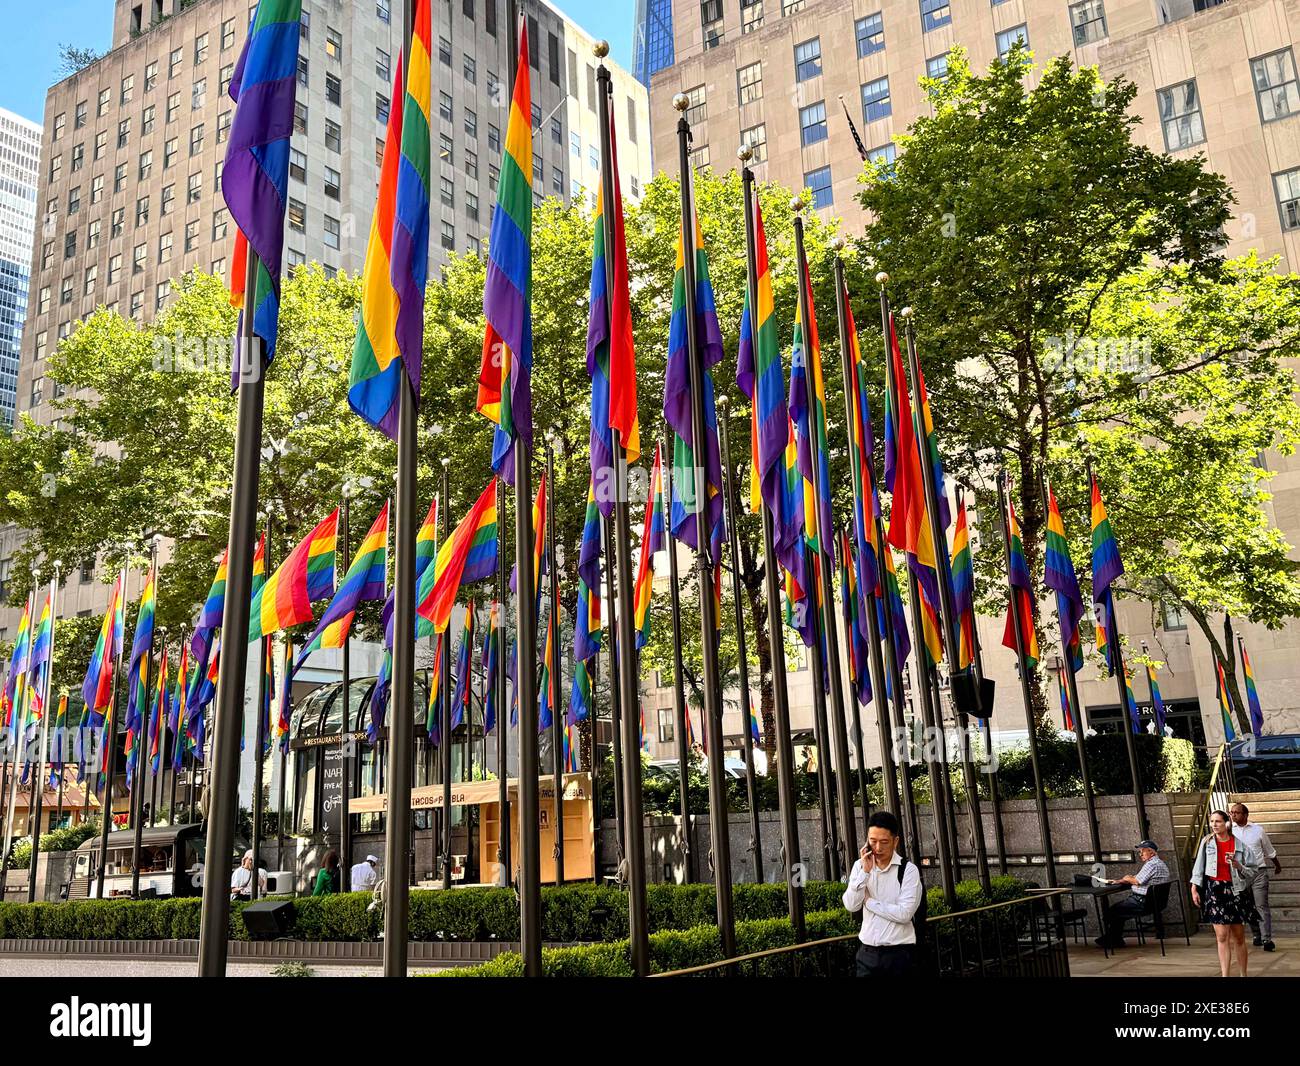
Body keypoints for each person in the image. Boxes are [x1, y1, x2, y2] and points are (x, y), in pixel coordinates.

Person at [842, 810, 923, 976]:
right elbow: (851, 905)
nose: (878, 848)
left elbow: (904, 914)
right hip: (867, 954)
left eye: (884, 842)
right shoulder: (859, 866)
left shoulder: (908, 870)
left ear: (895, 841)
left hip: (899, 955)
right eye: (873, 841)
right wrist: (864, 872)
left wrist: (870, 902)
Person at [1190, 810, 1262, 977]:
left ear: (1227, 823)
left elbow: (1253, 870)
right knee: (1222, 936)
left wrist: (1239, 866)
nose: (1214, 825)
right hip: (1215, 890)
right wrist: (1194, 888)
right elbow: (1198, 867)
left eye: (1218, 821)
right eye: (1212, 821)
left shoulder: (1240, 845)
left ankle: (1243, 974)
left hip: (1236, 890)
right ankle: (1225, 975)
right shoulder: (1206, 842)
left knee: (1238, 936)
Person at [1095, 840, 1170, 948]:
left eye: (1142, 852)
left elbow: (1136, 881)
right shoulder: (1159, 863)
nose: (1140, 855)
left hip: (1142, 902)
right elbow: (1137, 878)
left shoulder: (1151, 864)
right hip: (1154, 902)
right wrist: (1121, 880)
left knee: (1111, 912)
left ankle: (1113, 940)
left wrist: (1126, 878)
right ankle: (1114, 939)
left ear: (1151, 852)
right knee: (1119, 911)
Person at [1229, 802, 1281, 952]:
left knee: (1261, 905)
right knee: (1247, 906)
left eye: (1236, 812)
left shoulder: (1258, 830)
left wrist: (1277, 865)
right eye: (1231, 812)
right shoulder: (1229, 832)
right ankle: (1256, 934)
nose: (1233, 815)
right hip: (1240, 874)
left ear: (1245, 815)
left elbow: (1269, 850)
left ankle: (1267, 939)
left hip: (1259, 872)